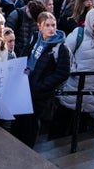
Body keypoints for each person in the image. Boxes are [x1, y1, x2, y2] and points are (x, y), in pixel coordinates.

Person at [13, 11, 71, 148]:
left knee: (31, 124)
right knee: (18, 120)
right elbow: (25, 53)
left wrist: (41, 85)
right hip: (24, 86)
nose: (52, 29)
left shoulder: (60, 48)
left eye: (53, 25)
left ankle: (26, 151)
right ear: (40, 26)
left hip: (39, 92)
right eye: (48, 25)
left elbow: (63, 72)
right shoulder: (35, 37)